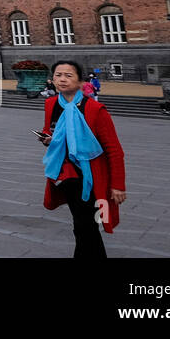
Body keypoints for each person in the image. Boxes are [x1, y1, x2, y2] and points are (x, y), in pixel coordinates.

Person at [37, 60, 126, 257]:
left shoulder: (95, 110)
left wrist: (118, 185)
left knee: (86, 227)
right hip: (66, 177)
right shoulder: (51, 104)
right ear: (52, 80)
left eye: (68, 75)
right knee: (84, 227)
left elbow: (114, 150)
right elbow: (50, 130)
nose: (62, 79)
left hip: (92, 178)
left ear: (79, 82)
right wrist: (49, 139)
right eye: (58, 75)